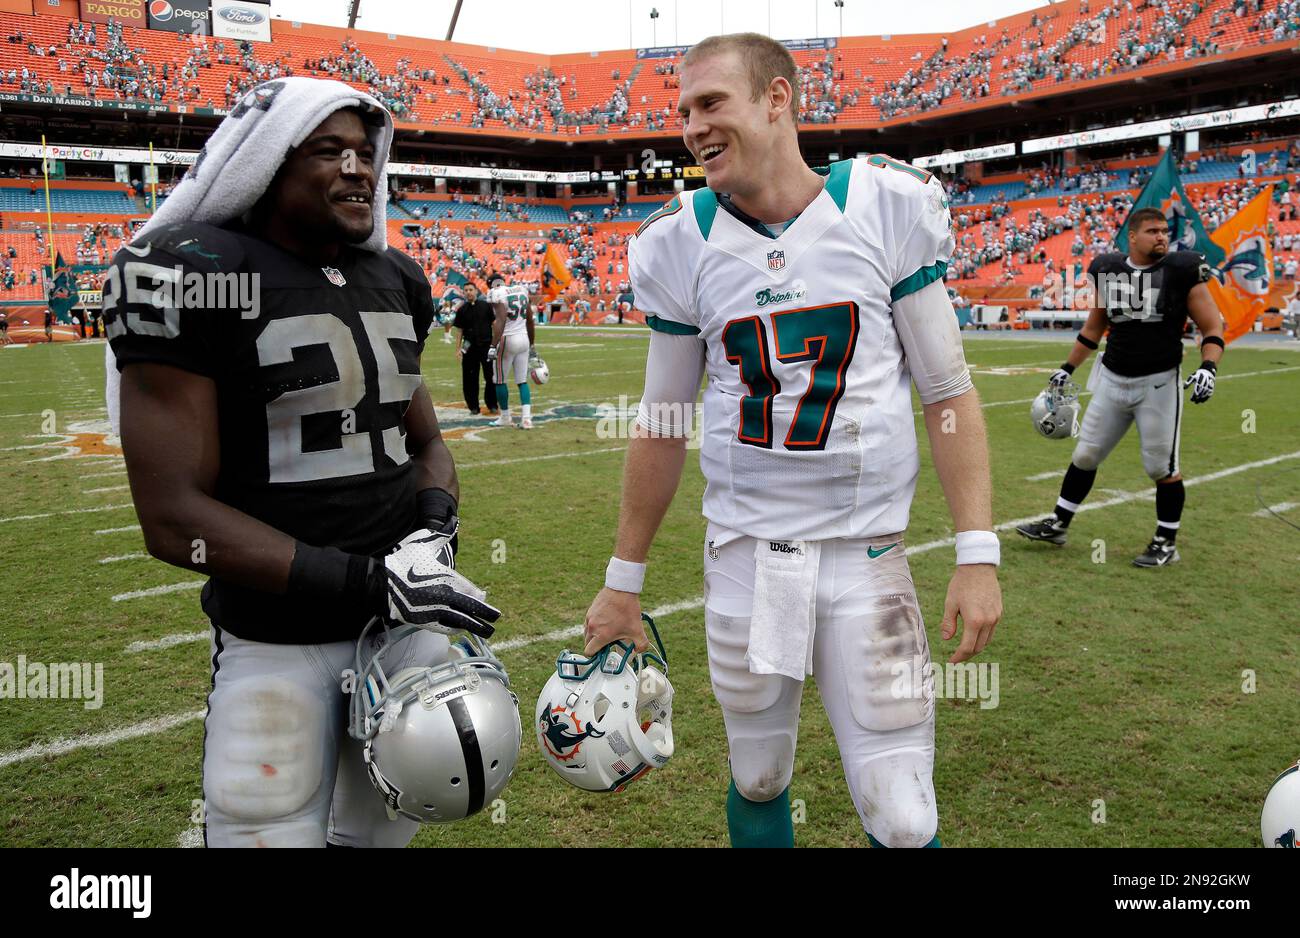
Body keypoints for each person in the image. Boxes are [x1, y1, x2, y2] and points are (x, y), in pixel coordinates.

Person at [581, 34, 1001, 849]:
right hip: (747, 551)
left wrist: (976, 550)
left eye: (711, 104)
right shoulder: (679, 240)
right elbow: (663, 424)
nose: (692, 127)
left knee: (906, 816)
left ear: (778, 99)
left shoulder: (882, 204)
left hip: (866, 553)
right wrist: (622, 579)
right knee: (758, 774)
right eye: (683, 111)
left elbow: (948, 393)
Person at [103, 78, 502, 848]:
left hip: (400, 625)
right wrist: (365, 579)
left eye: (365, 152)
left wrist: (430, 533)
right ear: (262, 166)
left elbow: (425, 444)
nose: (358, 168)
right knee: (265, 828)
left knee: (385, 830)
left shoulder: (396, 278)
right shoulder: (191, 273)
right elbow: (171, 517)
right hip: (274, 640)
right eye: (328, 151)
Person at [1016, 207, 1224, 566]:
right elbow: (1095, 326)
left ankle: (1165, 541)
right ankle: (1059, 524)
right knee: (1085, 455)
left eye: (1164, 231)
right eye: (1153, 231)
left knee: (1161, 466)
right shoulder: (1107, 268)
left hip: (1158, 382)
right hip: (1112, 377)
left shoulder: (1181, 271)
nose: (1161, 236)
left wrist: (1209, 367)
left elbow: (1212, 326)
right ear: (1133, 236)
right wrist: (1067, 367)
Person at [486, 272, 537, 429]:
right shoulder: (520, 289)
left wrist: (493, 346)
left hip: (508, 338)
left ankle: (505, 417)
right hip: (524, 339)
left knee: (500, 379)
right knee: (522, 381)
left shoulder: (497, 293)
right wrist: (532, 344)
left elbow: (500, 321)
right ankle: (527, 419)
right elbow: (530, 320)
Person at [453, 281, 499, 416]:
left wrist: (496, 343)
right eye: (466, 290)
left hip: (486, 347)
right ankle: (473, 406)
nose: (468, 292)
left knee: (490, 376)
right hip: (469, 349)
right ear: (463, 292)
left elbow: (494, 324)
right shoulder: (461, 310)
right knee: (470, 379)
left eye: (471, 290)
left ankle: (492, 404)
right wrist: (457, 349)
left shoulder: (486, 306)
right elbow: (460, 331)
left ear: (476, 291)